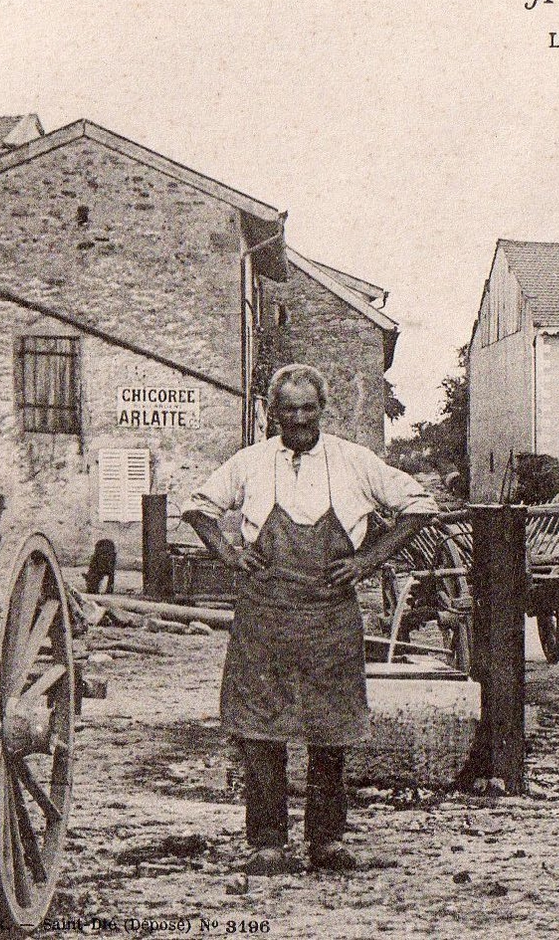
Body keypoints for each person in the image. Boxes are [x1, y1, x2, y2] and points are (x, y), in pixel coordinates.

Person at [183, 364, 437, 875]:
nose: (299, 418)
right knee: (260, 728)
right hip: (264, 614)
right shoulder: (250, 462)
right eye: (288, 409)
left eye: (308, 408)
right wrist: (229, 553)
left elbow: (420, 505)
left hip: (329, 617)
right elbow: (197, 507)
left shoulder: (354, 461)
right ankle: (268, 843)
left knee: (330, 731)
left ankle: (325, 841)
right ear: (272, 413)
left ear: (322, 409)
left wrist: (367, 560)